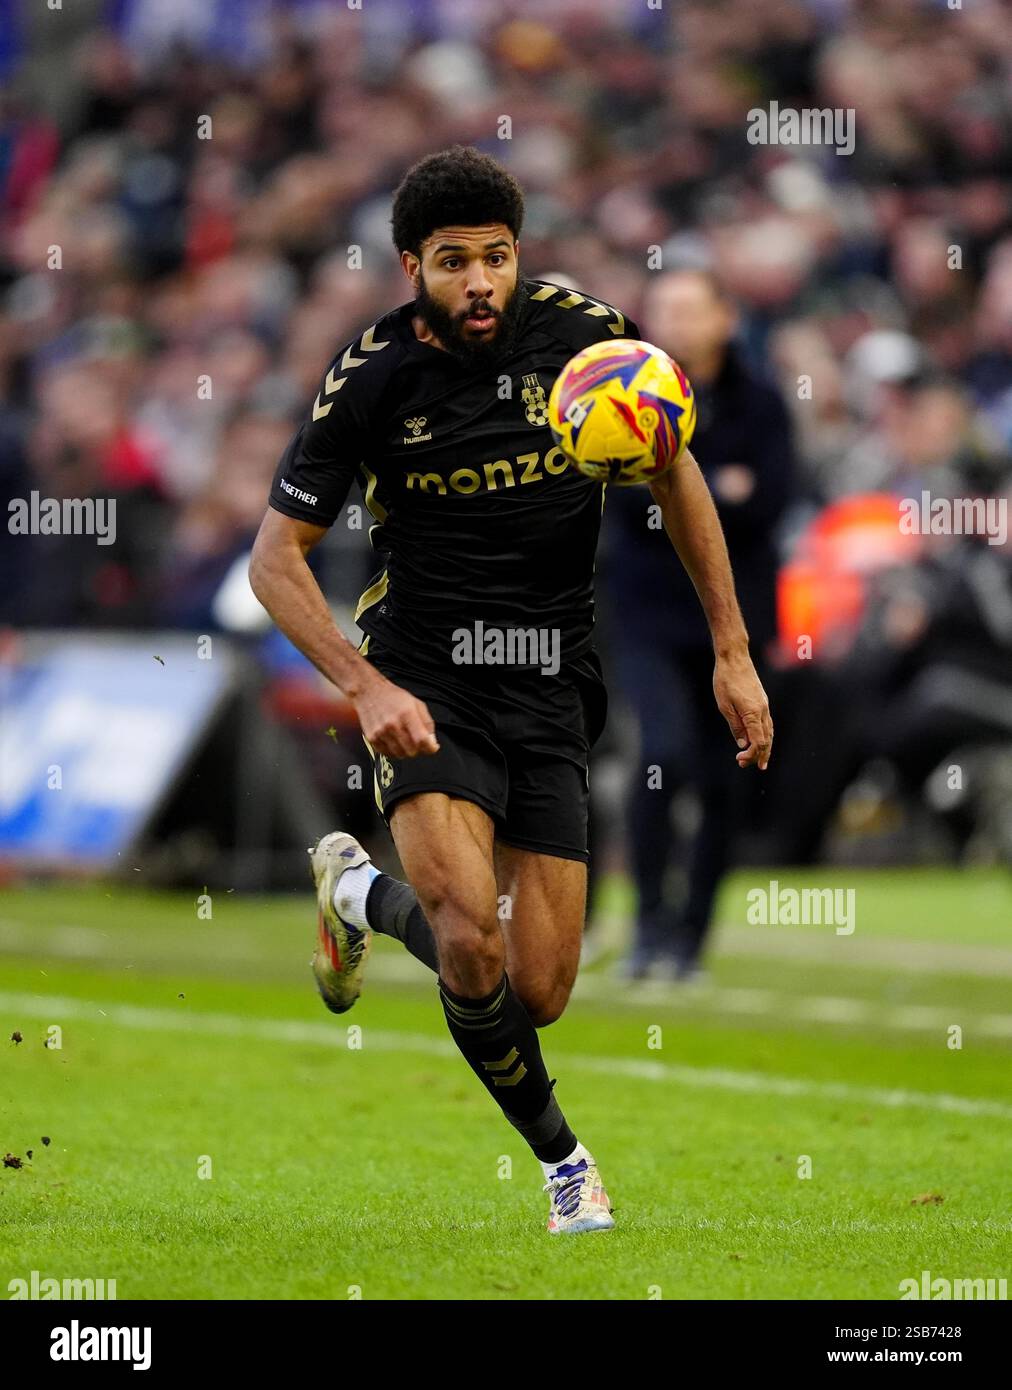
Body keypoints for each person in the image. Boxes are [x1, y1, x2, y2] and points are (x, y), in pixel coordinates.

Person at [249, 148, 772, 1235]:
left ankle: (351, 893)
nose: (480, 281)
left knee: (535, 989)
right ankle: (565, 1163)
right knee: (466, 938)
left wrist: (731, 650)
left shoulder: (589, 335)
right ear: (412, 268)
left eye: (495, 256)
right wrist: (363, 684)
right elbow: (273, 560)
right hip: (426, 674)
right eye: (453, 263)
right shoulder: (370, 376)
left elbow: (673, 472)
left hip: (551, 672)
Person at [603, 269, 794, 979]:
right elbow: (630, 505)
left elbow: (769, 501)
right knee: (662, 756)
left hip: (738, 619)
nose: (675, 323)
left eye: (689, 309)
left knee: (727, 778)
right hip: (650, 613)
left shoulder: (763, 400)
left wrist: (684, 488)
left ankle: (691, 939)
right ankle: (648, 926)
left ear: (725, 317)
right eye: (663, 309)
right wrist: (717, 489)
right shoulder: (627, 393)